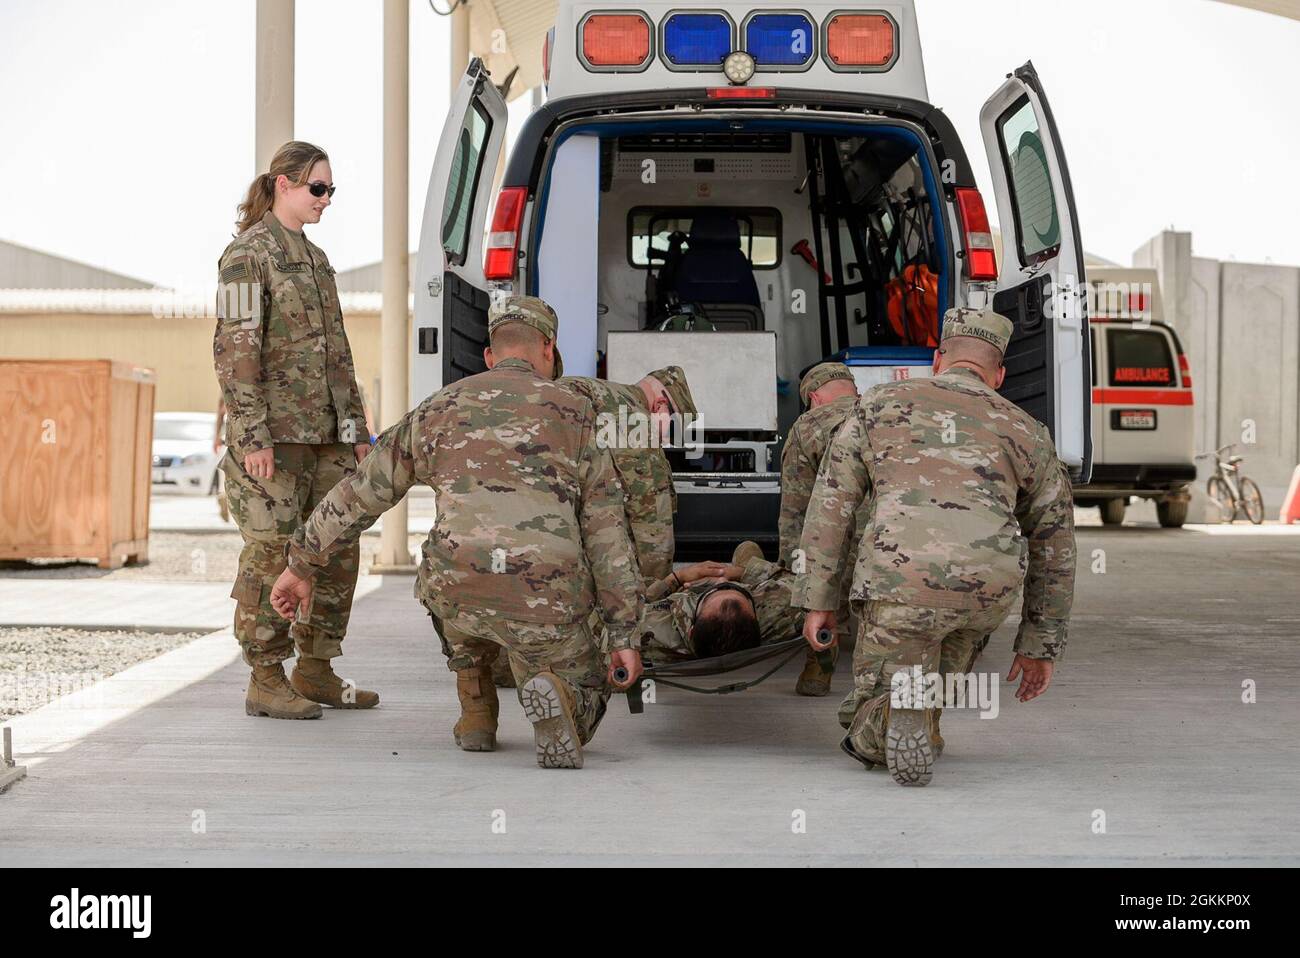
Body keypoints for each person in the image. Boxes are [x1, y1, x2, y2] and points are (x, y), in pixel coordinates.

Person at [268, 296, 645, 770]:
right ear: (548, 349)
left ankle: (476, 711)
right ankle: (564, 699)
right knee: (585, 678)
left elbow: (361, 493)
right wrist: (623, 634)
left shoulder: (439, 407)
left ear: (490, 355)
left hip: (459, 590)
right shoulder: (577, 414)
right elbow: (608, 536)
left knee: (454, 572)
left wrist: (301, 564)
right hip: (544, 598)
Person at [795, 308, 1077, 787]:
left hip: (899, 581)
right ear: (1000, 375)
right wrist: (1039, 644)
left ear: (937, 359)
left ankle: (887, 719)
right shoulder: (1027, 430)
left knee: (873, 711)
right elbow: (1056, 544)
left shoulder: (877, 405)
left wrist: (817, 599)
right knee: (943, 666)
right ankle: (922, 720)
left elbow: (831, 506)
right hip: (984, 591)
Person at [214, 140, 376, 720]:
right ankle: (265, 675)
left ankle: (316, 667)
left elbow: (339, 354)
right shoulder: (246, 256)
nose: (326, 200)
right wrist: (252, 436)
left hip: (328, 437)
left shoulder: (316, 259)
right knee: (270, 552)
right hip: (276, 439)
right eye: (317, 188)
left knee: (335, 546)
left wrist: (356, 428)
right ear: (283, 183)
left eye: (331, 190)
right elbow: (235, 351)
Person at [778, 362, 861, 697]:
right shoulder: (886, 414)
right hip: (892, 544)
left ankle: (820, 666)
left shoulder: (807, 425)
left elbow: (795, 510)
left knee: (824, 562)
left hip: (838, 538)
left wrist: (790, 568)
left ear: (814, 397)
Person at [631, 542, 804, 664]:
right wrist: (739, 574)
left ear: (691, 630)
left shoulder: (654, 627)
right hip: (749, 583)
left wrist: (677, 578)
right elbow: (800, 584)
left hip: (685, 590)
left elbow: (628, 609)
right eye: (730, 588)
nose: (720, 580)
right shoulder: (781, 610)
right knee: (748, 548)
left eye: (713, 593)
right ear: (756, 615)